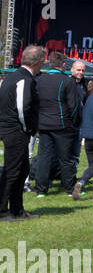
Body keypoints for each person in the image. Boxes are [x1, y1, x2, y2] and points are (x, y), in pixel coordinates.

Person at [0, 45, 44, 220]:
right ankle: (3, 210)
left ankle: (17, 209)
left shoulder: (13, 77)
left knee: (21, 169)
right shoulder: (24, 79)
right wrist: (28, 128)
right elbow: (22, 107)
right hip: (16, 130)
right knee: (12, 171)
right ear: (39, 62)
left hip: (12, 129)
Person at [33, 50, 82, 198]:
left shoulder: (39, 80)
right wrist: (73, 123)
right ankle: (69, 188)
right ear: (63, 65)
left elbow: (33, 103)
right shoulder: (67, 81)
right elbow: (74, 106)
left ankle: (41, 190)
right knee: (65, 158)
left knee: (44, 157)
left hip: (44, 126)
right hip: (62, 125)